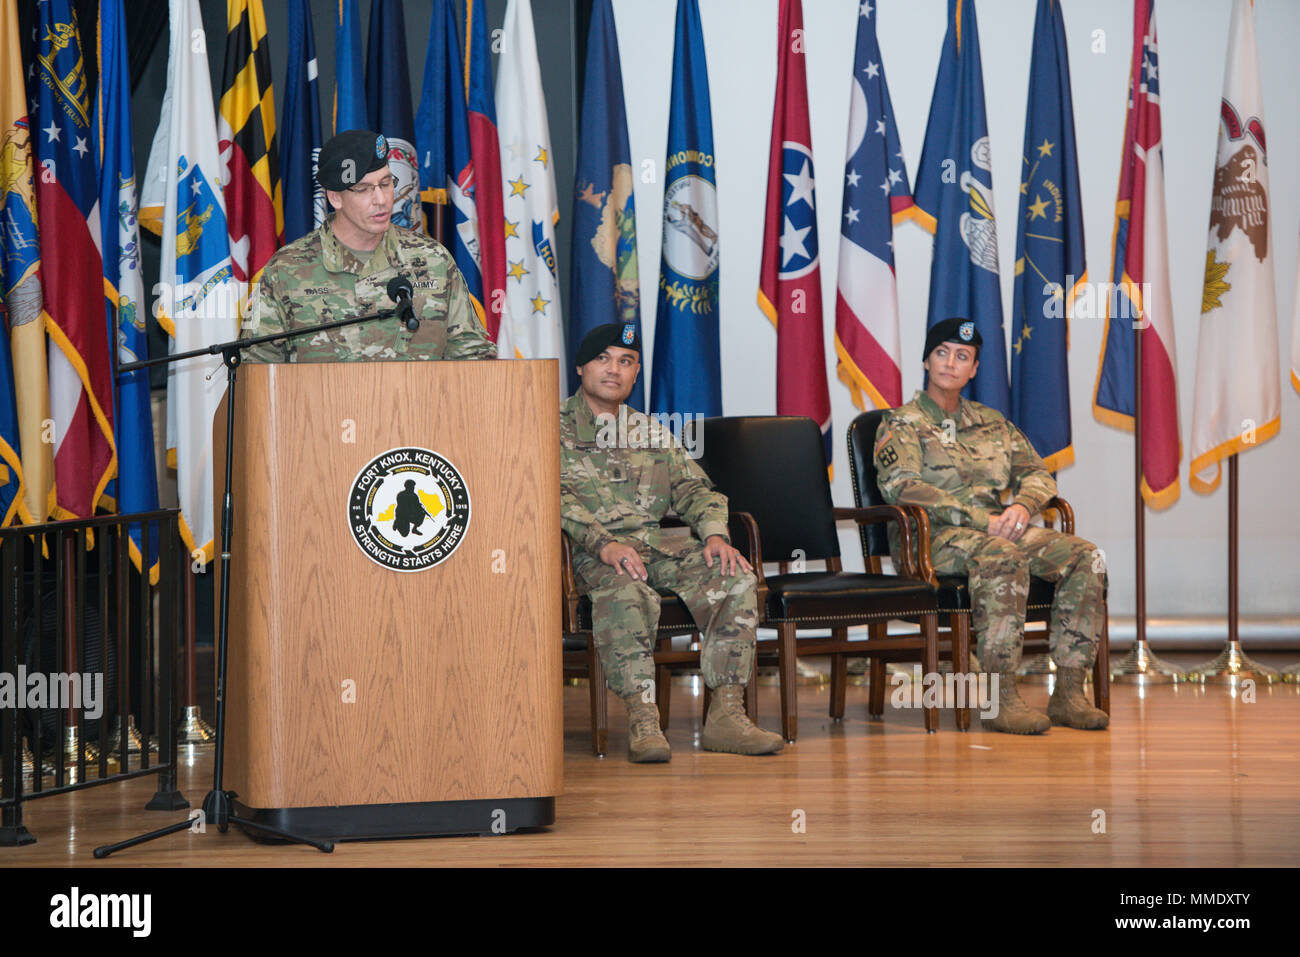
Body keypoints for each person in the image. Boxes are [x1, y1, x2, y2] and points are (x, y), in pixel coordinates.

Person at [873, 317, 1109, 734]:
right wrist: (985, 520)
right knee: (1003, 554)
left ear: (974, 369)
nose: (951, 363)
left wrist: (1022, 505)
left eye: (962, 356)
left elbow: (1039, 473)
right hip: (934, 539)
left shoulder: (992, 422)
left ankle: (1069, 692)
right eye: (942, 353)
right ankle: (1000, 698)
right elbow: (902, 488)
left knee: (1085, 557)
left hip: (998, 528)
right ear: (926, 361)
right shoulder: (901, 423)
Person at [561, 323, 784, 762]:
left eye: (625, 362)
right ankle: (644, 718)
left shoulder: (651, 432)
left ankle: (726, 714)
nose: (614, 370)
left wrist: (716, 534)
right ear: (581, 367)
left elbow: (696, 490)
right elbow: (548, 497)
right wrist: (602, 542)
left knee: (733, 576)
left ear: (636, 372)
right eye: (603, 359)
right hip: (590, 556)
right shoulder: (549, 428)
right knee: (626, 591)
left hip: (654, 547)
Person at [241, 129, 496, 362]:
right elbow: (254, 370)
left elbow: (473, 357)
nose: (382, 200)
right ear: (335, 197)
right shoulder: (286, 270)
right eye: (364, 189)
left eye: (386, 183)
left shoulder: (434, 260)